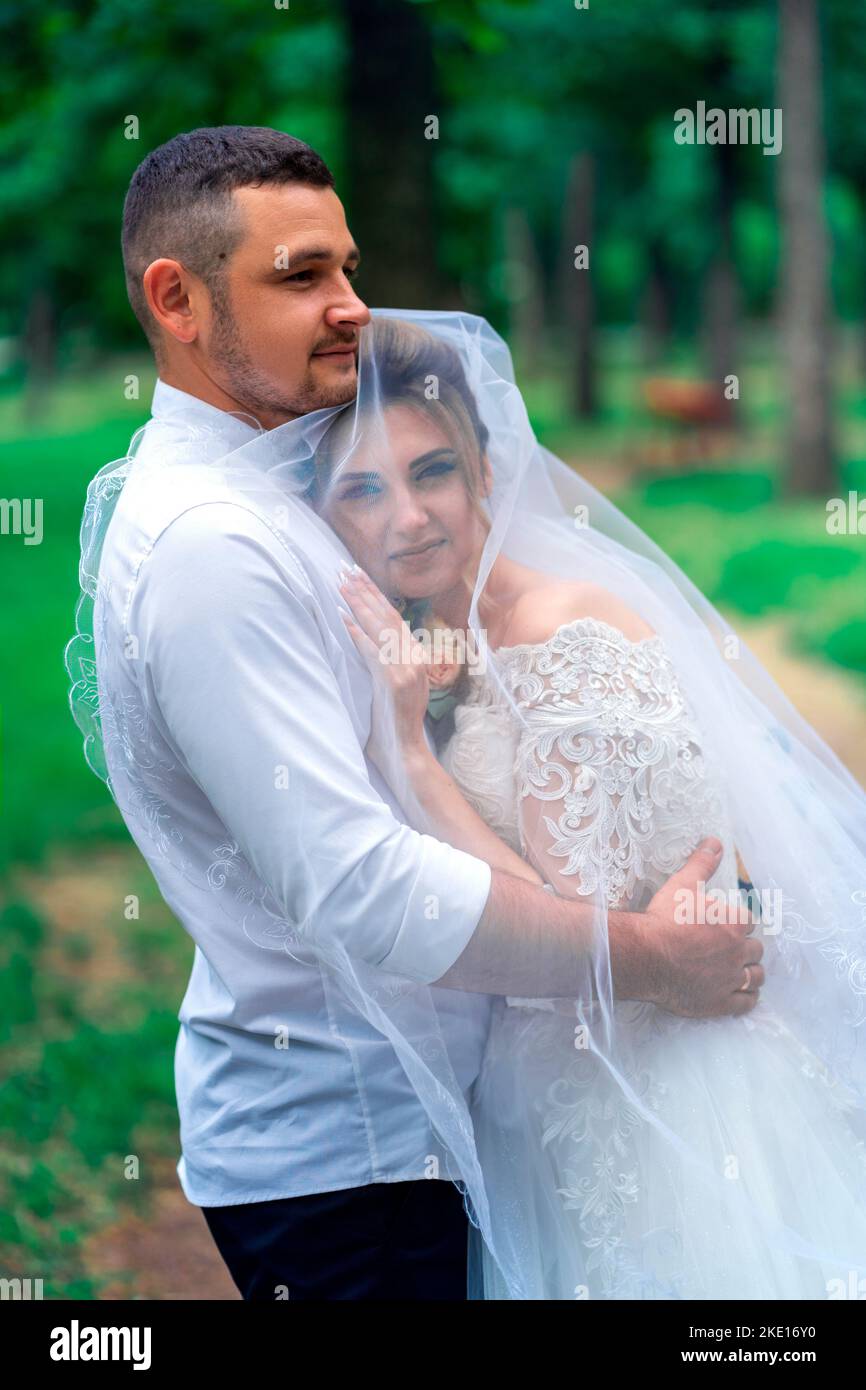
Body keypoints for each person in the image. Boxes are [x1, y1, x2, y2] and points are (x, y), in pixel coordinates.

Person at [67, 126, 762, 1303]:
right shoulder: (209, 549)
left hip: (433, 1125)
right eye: (299, 277)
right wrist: (646, 959)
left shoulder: (279, 486)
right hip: (353, 1158)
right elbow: (355, 884)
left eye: (345, 267)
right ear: (176, 301)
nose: (347, 305)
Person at [325, 315, 866, 1299]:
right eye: (363, 489)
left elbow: (576, 935)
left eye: (431, 472)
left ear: (486, 474)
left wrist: (412, 752)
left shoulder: (561, 636)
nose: (403, 517)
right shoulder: (455, 647)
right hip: (550, 1097)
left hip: (659, 1100)